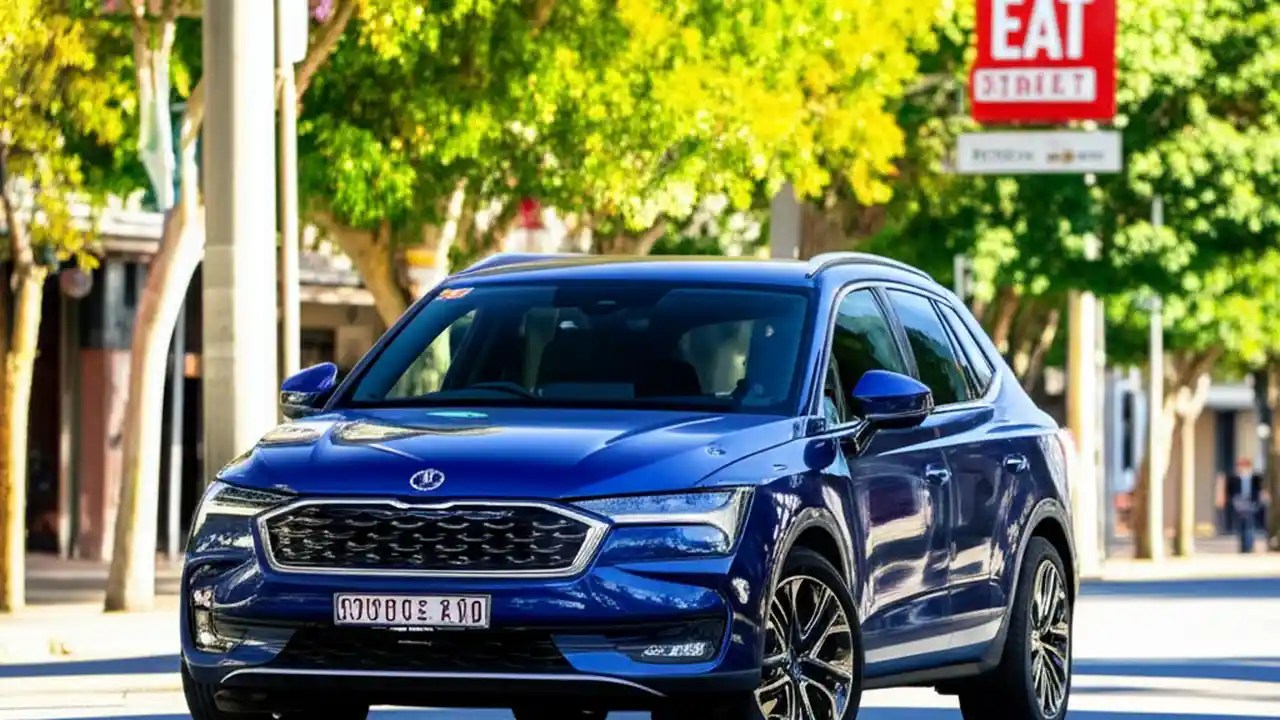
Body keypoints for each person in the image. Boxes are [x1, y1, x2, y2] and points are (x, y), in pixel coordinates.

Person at [1227, 458, 1266, 553]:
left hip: (1251, 503)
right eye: (1241, 466)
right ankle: (1243, 546)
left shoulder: (1256, 478)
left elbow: (1260, 489)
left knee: (1250, 525)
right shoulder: (1233, 478)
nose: (1243, 468)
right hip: (1239, 503)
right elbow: (1230, 492)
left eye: (1245, 466)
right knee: (1240, 526)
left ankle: (1249, 547)